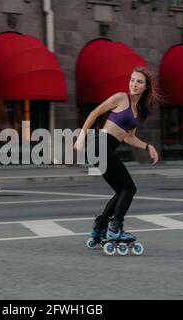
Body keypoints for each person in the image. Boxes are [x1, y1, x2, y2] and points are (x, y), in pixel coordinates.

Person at [74, 66, 160, 246]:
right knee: (130, 189)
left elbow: (129, 137)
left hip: (104, 149)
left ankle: (100, 226)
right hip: (100, 145)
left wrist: (147, 146)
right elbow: (94, 113)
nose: (134, 84)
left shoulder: (138, 111)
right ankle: (114, 228)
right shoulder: (121, 97)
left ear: (146, 87)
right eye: (132, 80)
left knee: (122, 190)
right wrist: (81, 136)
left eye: (139, 81)